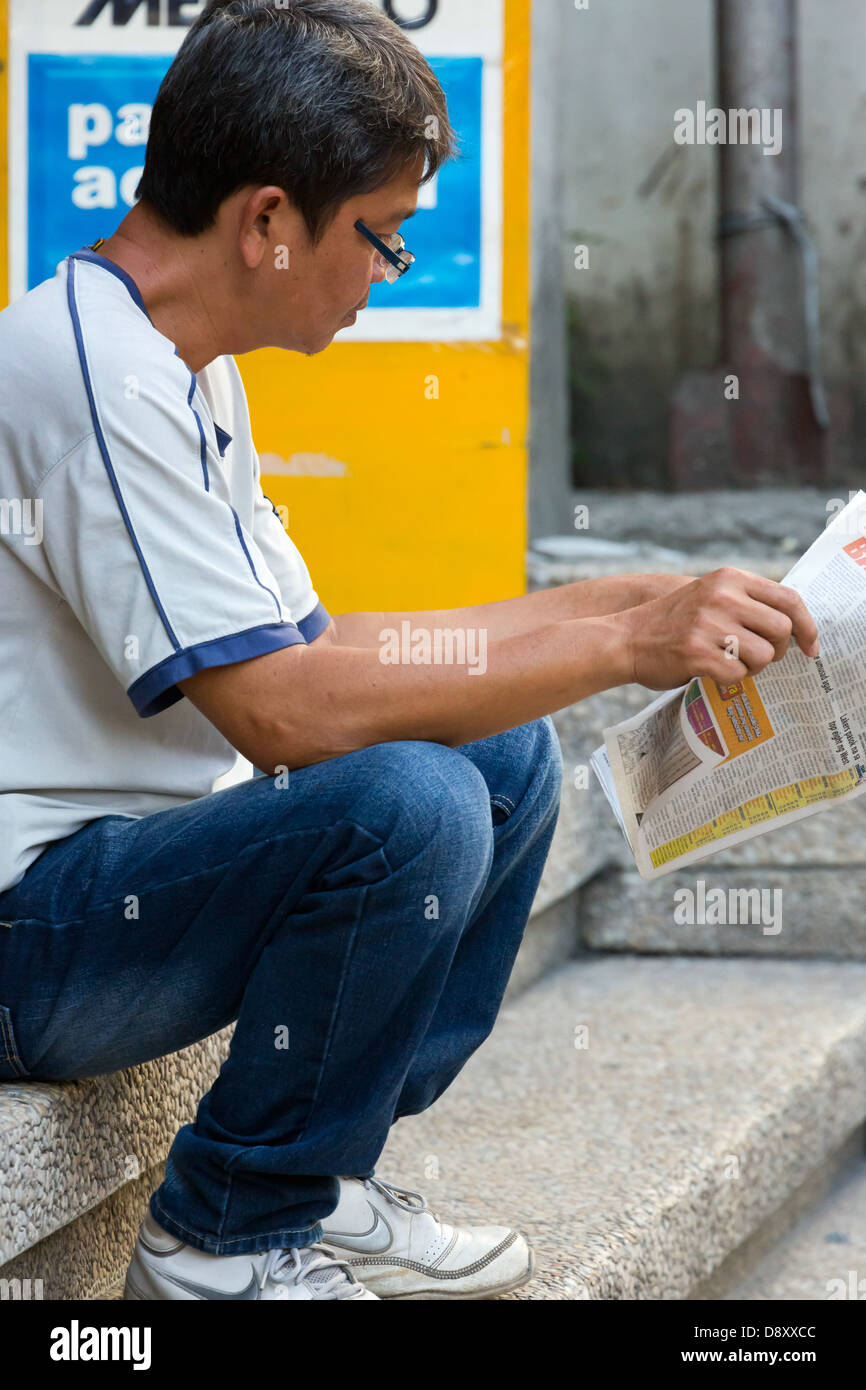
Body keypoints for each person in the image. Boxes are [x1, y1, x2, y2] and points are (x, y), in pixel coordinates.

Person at [0, 0, 819, 1303]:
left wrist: (633, 598)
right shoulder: (83, 371)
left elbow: (331, 648)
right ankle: (228, 1224)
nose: (389, 271)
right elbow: (282, 711)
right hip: (32, 932)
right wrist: (619, 641)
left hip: (124, 885)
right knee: (406, 800)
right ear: (268, 222)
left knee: (491, 753)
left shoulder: (180, 361)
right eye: (379, 236)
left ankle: (323, 1174)